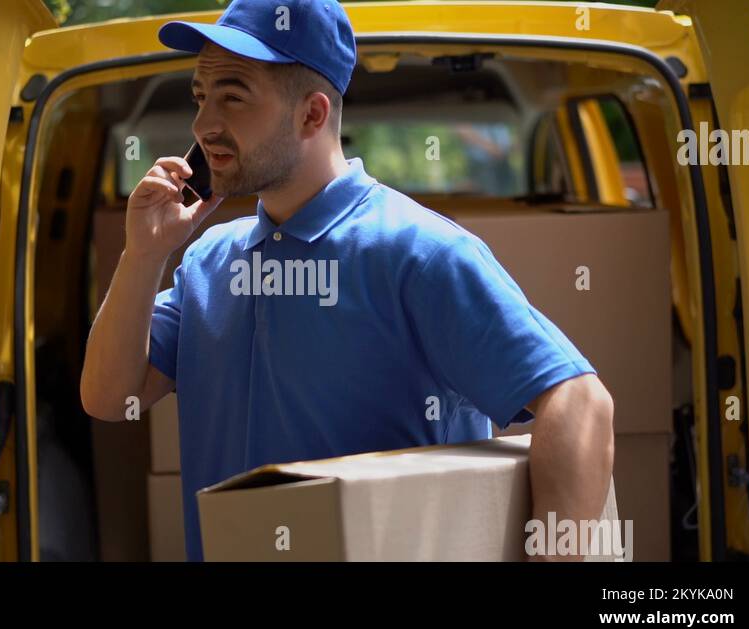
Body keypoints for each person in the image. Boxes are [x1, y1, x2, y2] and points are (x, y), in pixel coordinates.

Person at [80, 0, 614, 562]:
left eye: (232, 97)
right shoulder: (210, 262)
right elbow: (110, 398)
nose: (203, 124)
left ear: (312, 114)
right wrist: (143, 255)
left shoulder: (417, 253)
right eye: (201, 97)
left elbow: (581, 404)